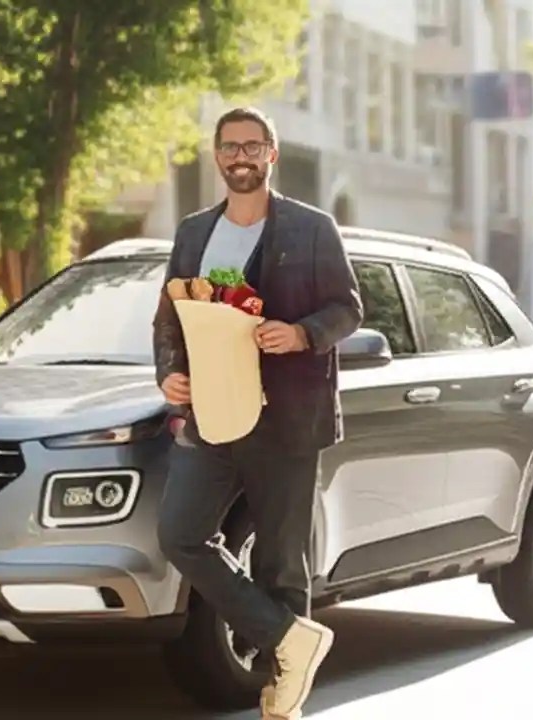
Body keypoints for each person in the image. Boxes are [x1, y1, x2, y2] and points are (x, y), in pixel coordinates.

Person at [152, 107, 363, 719]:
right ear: (217, 157)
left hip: (287, 417)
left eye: (252, 146)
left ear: (272, 154)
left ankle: (282, 696)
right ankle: (292, 637)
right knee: (181, 535)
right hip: (211, 413)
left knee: (280, 563)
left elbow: (349, 307)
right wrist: (168, 371)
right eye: (230, 147)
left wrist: (301, 334)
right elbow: (169, 317)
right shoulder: (193, 233)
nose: (240, 157)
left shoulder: (312, 227)